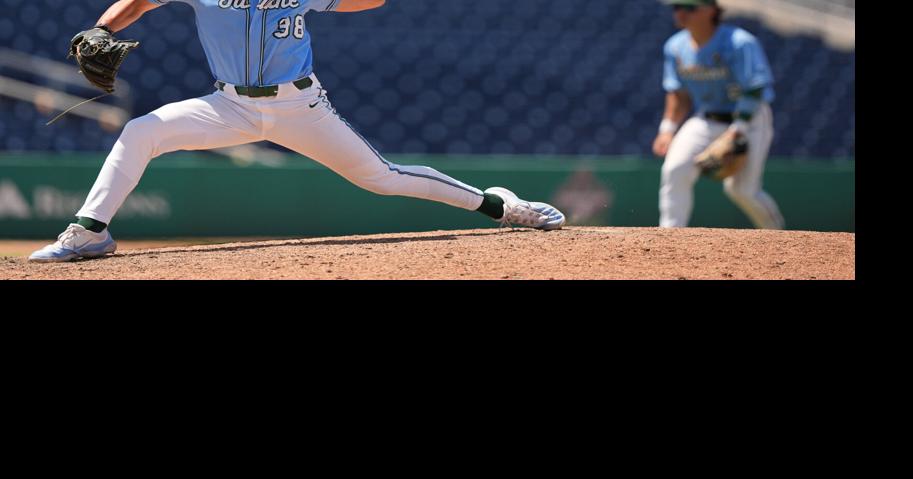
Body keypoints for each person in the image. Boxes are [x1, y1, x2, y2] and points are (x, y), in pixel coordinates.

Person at [29, 0, 565, 263]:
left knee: (383, 177)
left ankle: (500, 206)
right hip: (228, 105)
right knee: (141, 131)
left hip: (301, 105)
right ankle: (90, 233)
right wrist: (102, 28)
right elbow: (140, 1)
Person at [652, 0, 784, 229]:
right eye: (677, 7)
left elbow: (755, 88)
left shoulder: (739, 43)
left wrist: (739, 128)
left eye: (690, 8)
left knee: (742, 191)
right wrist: (667, 129)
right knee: (675, 170)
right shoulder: (675, 46)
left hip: (749, 120)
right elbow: (678, 94)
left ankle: (780, 237)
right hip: (707, 119)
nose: (681, 13)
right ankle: (669, 236)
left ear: (711, 10)